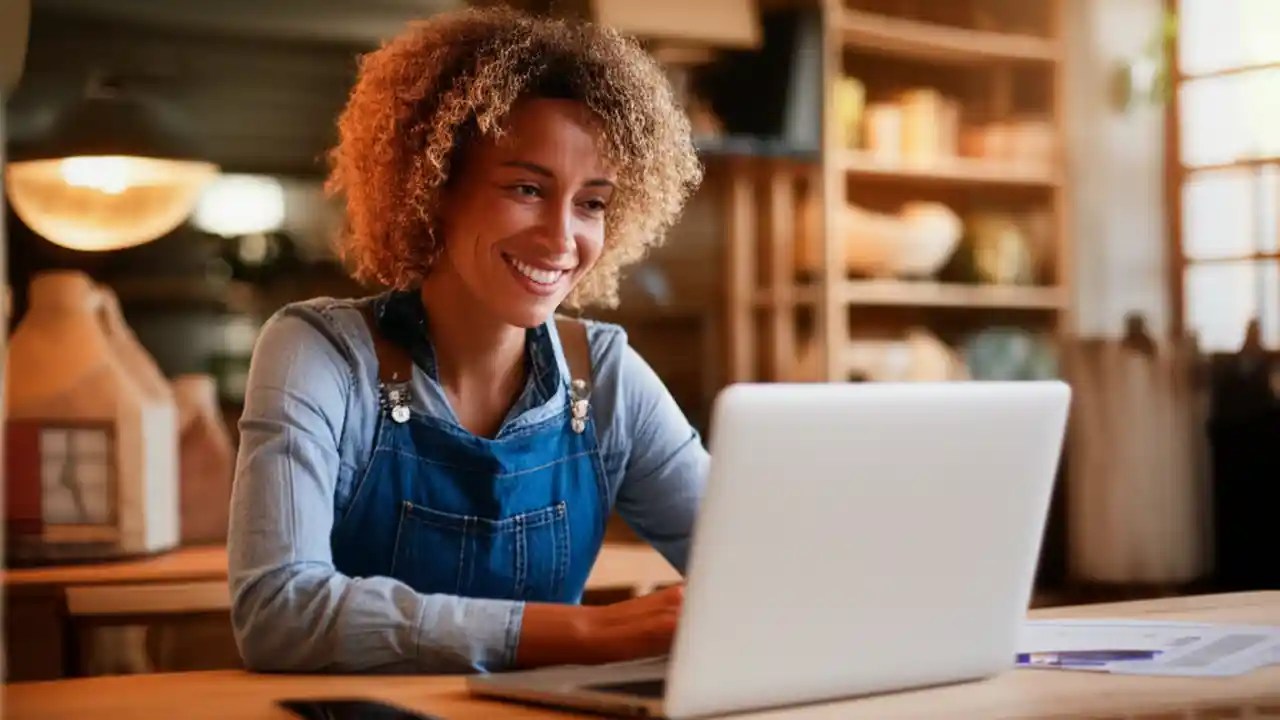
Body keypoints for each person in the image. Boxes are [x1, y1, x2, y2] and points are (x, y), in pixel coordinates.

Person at [227, 7, 707, 674]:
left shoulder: (606, 375)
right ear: (432, 188)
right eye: (526, 188)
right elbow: (280, 613)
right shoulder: (318, 354)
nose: (563, 239)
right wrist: (588, 635)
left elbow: (748, 567)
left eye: (592, 202)